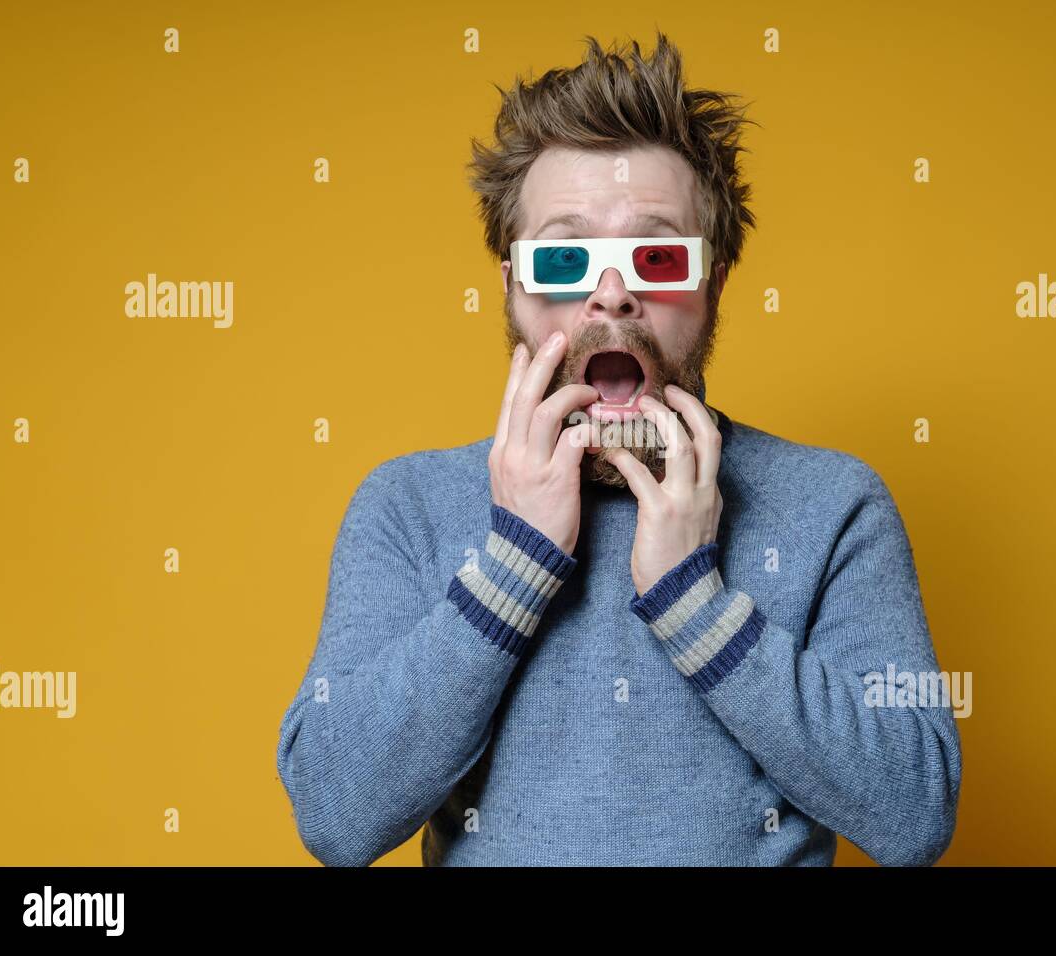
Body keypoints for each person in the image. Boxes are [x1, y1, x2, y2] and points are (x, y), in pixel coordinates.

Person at [276, 31, 962, 867]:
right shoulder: (408, 506)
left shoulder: (833, 504)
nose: (612, 293)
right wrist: (514, 565)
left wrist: (692, 599)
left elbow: (916, 811)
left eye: (657, 254)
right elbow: (335, 816)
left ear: (713, 286)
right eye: (566, 256)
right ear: (511, 289)